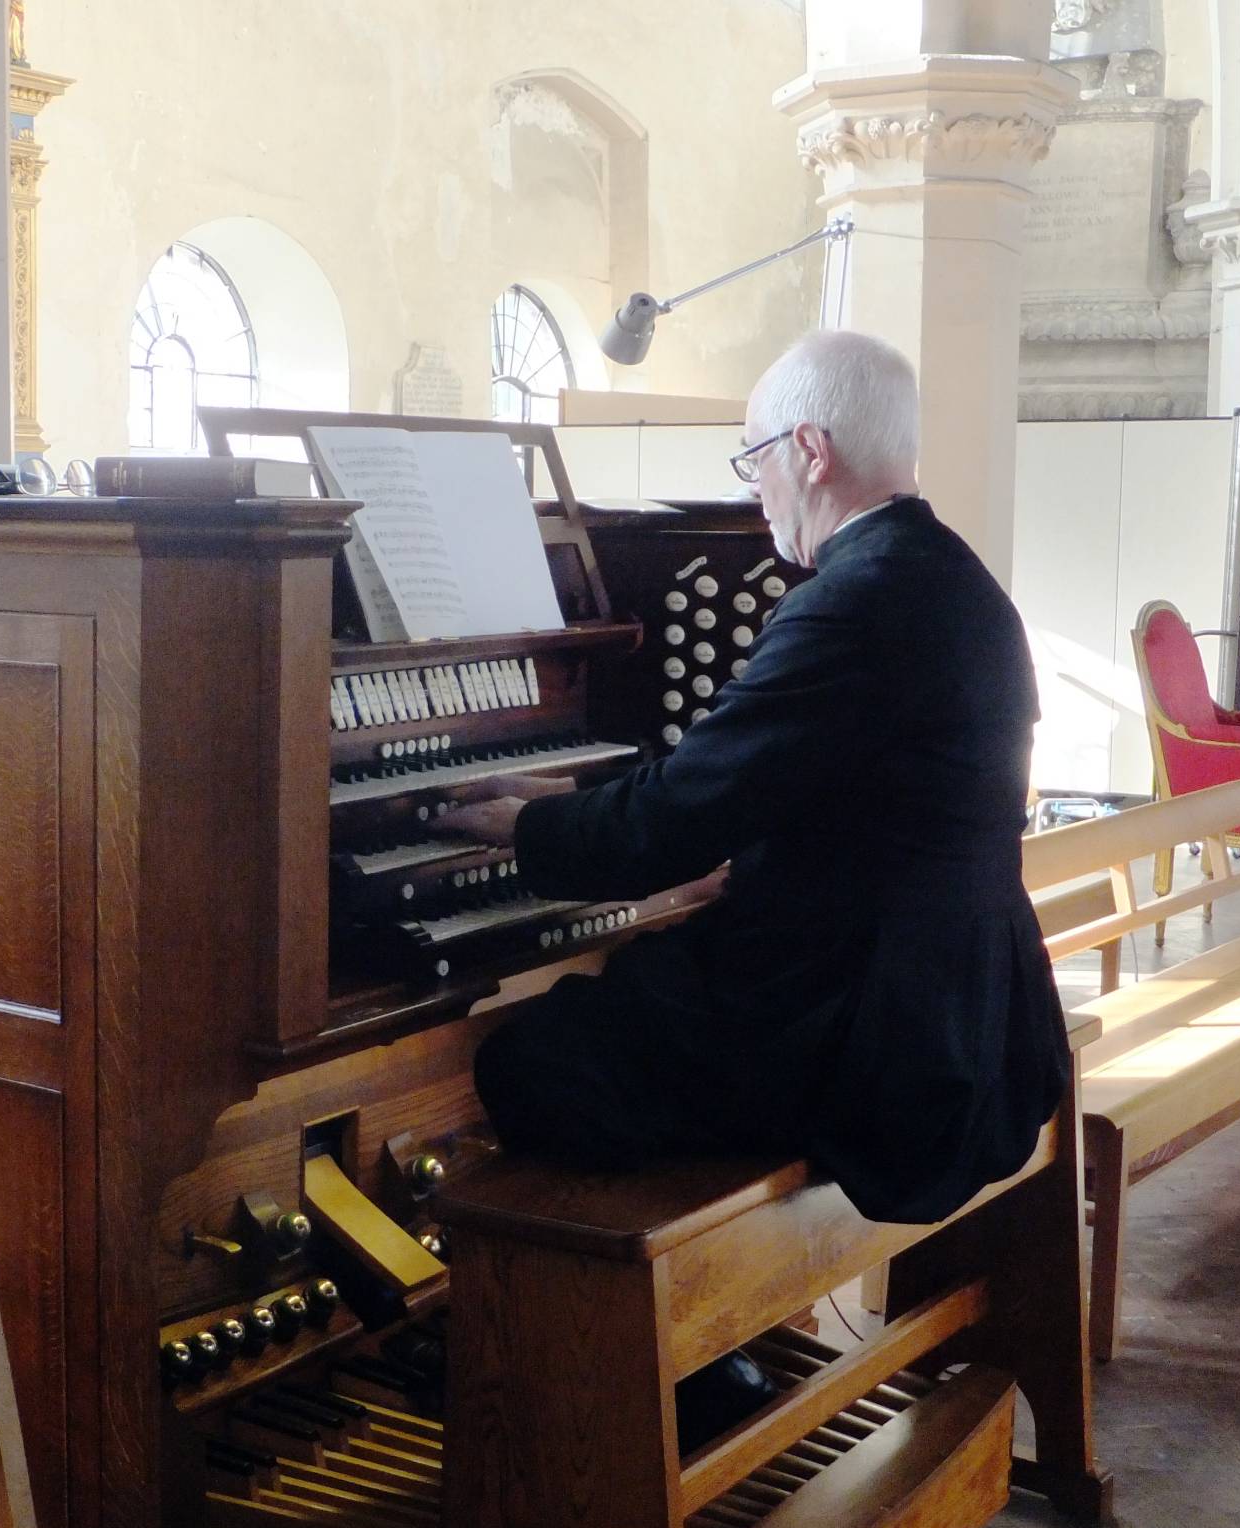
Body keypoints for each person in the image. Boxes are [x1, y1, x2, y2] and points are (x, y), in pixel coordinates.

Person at [442, 329, 1070, 1230]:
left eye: (755, 456)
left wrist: (523, 828)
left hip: (873, 1035)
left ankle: (652, 1341)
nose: (754, 485)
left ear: (810, 451)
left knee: (531, 1055)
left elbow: (675, 820)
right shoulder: (956, 579)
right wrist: (585, 803)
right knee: (632, 987)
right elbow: (825, 794)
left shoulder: (856, 600)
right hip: (968, 1003)